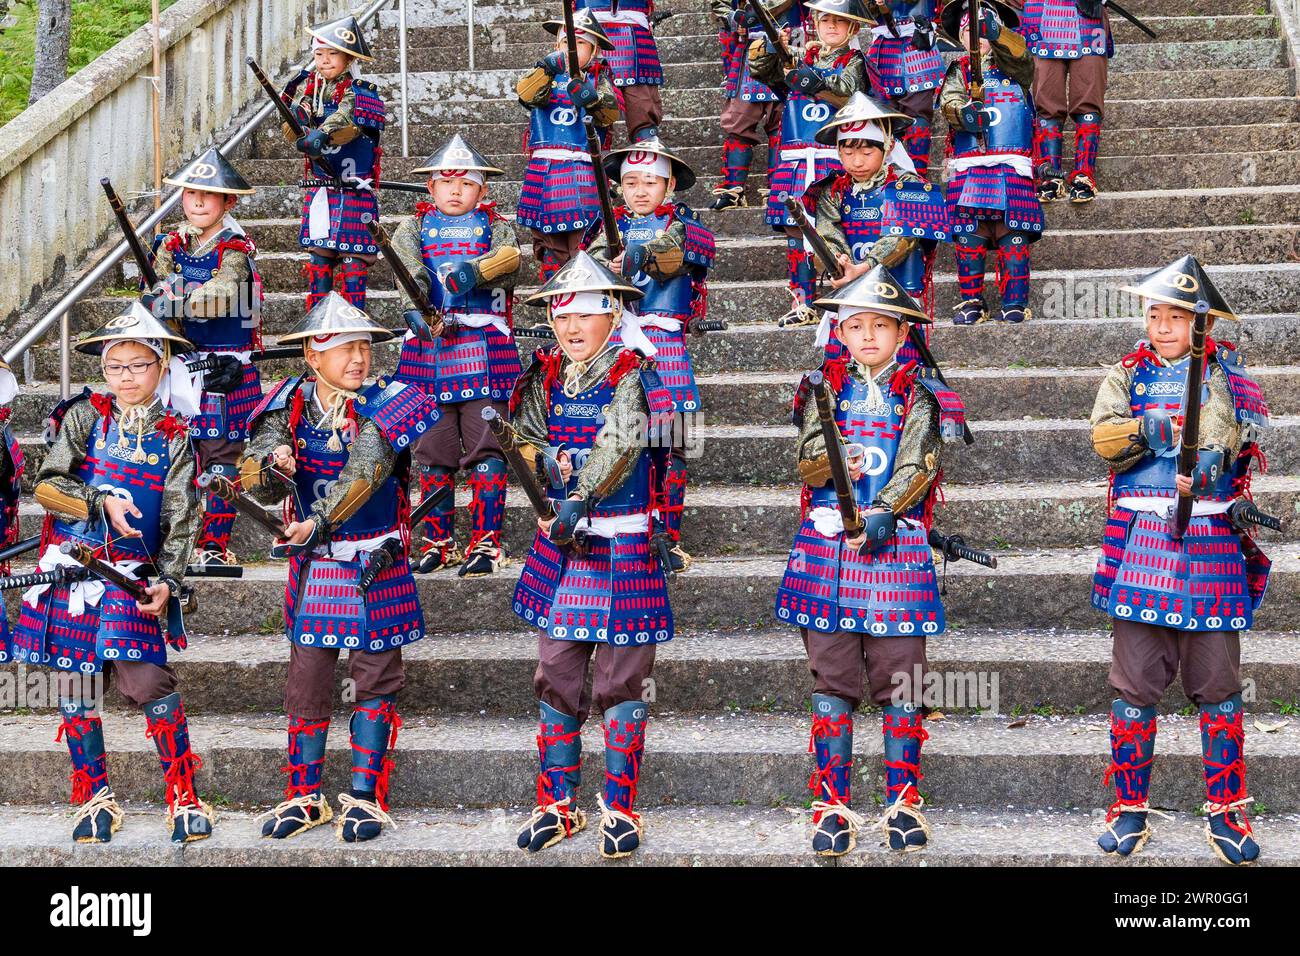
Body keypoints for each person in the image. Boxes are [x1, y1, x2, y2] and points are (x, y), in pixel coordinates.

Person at [0, 304, 213, 844]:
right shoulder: (83, 416)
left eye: (138, 365)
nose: (126, 375)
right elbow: (47, 485)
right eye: (116, 365)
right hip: (72, 566)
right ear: (103, 368)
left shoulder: (177, 434)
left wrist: (169, 580)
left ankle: (183, 794)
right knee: (75, 682)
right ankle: (93, 795)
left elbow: (183, 516)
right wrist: (97, 502)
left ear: (161, 366)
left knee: (148, 681)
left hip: (131, 573)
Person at [774, 264, 966, 857]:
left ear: (902, 332)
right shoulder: (820, 387)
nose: (866, 337)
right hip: (828, 542)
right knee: (831, 678)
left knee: (901, 675)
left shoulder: (925, 393)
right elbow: (807, 455)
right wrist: (832, 461)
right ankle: (830, 804)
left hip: (897, 544)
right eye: (855, 326)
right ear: (841, 331)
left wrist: (885, 508)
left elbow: (919, 461)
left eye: (879, 326)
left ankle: (903, 800)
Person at [1089, 255, 1270, 866]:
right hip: (1142, 537)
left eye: (1177, 316)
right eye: (1155, 314)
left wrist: (1209, 447)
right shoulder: (1123, 375)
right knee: (1133, 684)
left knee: (1219, 686)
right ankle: (1129, 808)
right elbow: (1103, 439)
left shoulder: (1229, 375)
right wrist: (1150, 426)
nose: (1163, 325)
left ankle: (1226, 810)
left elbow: (1229, 424)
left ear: (1204, 323)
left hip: (1211, 543)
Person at [239, 293, 439, 843]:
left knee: (375, 677)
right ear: (310, 353)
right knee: (307, 678)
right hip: (316, 564)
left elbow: (367, 470)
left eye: (364, 346)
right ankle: (304, 796)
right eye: (343, 347)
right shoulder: (287, 402)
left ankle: (366, 797)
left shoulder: (393, 400)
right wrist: (268, 466)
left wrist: (318, 522)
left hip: (375, 556)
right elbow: (253, 464)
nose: (358, 357)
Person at [510, 252, 675, 859]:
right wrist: (535, 466)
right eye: (560, 313)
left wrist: (580, 492)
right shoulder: (547, 373)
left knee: (622, 679)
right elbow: (524, 436)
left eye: (583, 312)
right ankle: (557, 803)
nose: (569, 325)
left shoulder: (634, 374)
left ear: (613, 315)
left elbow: (621, 440)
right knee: (556, 671)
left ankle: (620, 808)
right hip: (563, 542)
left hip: (622, 540)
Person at [389, 135, 523, 576]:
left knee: (488, 448)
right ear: (429, 188)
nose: (454, 191)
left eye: (466, 184)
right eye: (444, 183)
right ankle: (436, 540)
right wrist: (413, 307)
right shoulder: (411, 228)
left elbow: (510, 261)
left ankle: (485, 542)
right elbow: (405, 266)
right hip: (428, 350)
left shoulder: (498, 226)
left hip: (484, 348)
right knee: (431, 449)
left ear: (482, 190)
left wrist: (475, 272)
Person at [586, 136, 715, 572]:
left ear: (670, 185)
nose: (640, 191)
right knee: (624, 436)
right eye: (630, 182)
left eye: (650, 182)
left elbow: (677, 255)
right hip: (618, 344)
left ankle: (670, 536)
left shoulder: (686, 223)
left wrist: (637, 254)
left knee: (676, 444)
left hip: (666, 345)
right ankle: (630, 524)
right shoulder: (603, 226)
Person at [143, 147, 262, 572]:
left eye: (208, 195)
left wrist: (177, 305)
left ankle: (214, 543)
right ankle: (171, 541)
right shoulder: (171, 243)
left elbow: (224, 294)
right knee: (178, 451)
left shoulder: (235, 249)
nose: (196, 201)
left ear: (227, 203)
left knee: (222, 454)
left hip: (224, 366)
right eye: (191, 193)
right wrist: (155, 300)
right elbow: (152, 291)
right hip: (179, 363)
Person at [748, 0, 873, 326]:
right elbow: (763, 72)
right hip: (793, 157)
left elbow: (849, 92)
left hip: (832, 157)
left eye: (839, 21)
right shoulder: (799, 59)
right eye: (825, 19)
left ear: (853, 28)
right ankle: (801, 300)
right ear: (815, 22)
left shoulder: (854, 61)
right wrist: (773, 48)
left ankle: (840, 294)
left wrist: (812, 79)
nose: (831, 26)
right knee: (794, 230)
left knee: (833, 229)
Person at [804, 91, 949, 360]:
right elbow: (828, 233)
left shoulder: (910, 187)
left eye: (867, 151)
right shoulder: (832, 190)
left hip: (899, 293)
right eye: (848, 152)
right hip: (849, 295)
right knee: (843, 374)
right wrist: (841, 262)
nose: (857, 161)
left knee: (905, 373)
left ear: (888, 146)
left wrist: (865, 266)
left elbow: (902, 237)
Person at [937, 0, 1042, 325]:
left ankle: (1014, 301)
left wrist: (998, 34)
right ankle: (972, 300)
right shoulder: (959, 71)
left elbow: (1022, 59)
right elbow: (949, 100)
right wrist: (961, 112)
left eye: (982, 31)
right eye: (970, 31)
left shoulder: (1016, 67)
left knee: (1014, 235)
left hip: (1011, 166)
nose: (976, 38)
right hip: (970, 167)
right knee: (969, 237)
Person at [279, 14, 385, 311]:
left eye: (332, 53)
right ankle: (319, 321)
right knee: (319, 259)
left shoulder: (359, 91)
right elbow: (293, 119)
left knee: (353, 262)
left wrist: (322, 134)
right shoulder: (308, 88)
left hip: (354, 188)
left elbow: (346, 116)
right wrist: (296, 124)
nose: (324, 60)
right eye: (319, 53)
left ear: (348, 58)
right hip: (322, 188)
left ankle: (354, 318)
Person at [515, 8, 621, 282]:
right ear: (556, 45)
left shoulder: (600, 79)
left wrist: (590, 97)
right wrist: (547, 67)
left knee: (583, 241)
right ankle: (555, 302)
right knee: (549, 245)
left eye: (580, 43)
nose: (570, 48)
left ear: (595, 50)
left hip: (582, 170)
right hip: (544, 169)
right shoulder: (544, 77)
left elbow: (609, 114)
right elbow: (526, 94)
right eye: (566, 42)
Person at [709, 0, 805, 211]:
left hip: (792, 39)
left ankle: (777, 187)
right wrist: (736, 17)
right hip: (751, 45)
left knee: (782, 121)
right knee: (738, 119)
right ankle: (734, 188)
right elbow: (720, 4)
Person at [1021, 0, 1111, 203]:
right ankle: (1051, 175)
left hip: (1088, 15)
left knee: (1088, 100)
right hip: (1042, 12)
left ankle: (1084, 173)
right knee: (1046, 100)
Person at [863, 2, 947, 177]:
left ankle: (918, 176)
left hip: (917, 39)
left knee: (917, 113)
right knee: (882, 117)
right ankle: (885, 177)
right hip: (882, 45)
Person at [576, 0, 665, 141]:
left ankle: (646, 153)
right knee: (589, 101)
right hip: (586, 27)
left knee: (642, 106)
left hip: (634, 27)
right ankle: (590, 154)